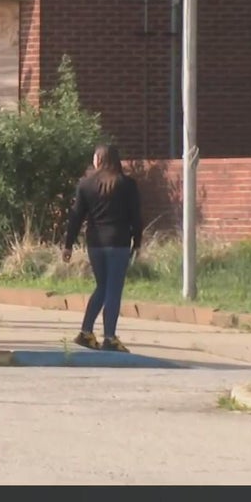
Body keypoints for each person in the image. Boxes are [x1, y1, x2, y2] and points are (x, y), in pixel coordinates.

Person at [62, 144, 143, 353]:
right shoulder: (127, 184)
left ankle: (86, 332)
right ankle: (110, 337)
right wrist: (138, 242)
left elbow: (76, 216)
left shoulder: (85, 184)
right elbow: (136, 216)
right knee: (113, 289)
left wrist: (68, 245)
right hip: (118, 242)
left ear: (99, 159)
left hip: (95, 243)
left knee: (102, 286)